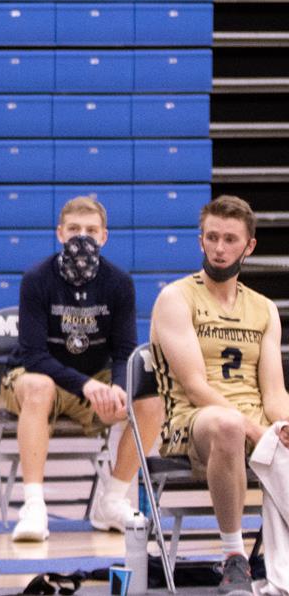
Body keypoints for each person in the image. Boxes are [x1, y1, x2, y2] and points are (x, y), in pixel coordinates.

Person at [150, 195, 289, 596]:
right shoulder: (177, 298)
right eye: (211, 237)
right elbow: (194, 386)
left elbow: (274, 393)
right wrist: (254, 430)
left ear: (249, 246)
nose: (219, 248)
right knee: (227, 424)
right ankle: (234, 558)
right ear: (200, 241)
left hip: (251, 424)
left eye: (230, 239)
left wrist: (282, 426)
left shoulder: (263, 309)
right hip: (192, 422)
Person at [4, 195, 162, 542]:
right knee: (38, 386)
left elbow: (124, 351)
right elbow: (34, 356)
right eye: (74, 229)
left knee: (151, 400)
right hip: (38, 378)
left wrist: (119, 387)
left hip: (94, 379)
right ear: (60, 233)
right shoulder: (37, 278)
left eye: (91, 230)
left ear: (104, 236)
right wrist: (86, 386)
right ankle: (33, 505)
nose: (82, 237)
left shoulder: (119, 282)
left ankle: (113, 499)